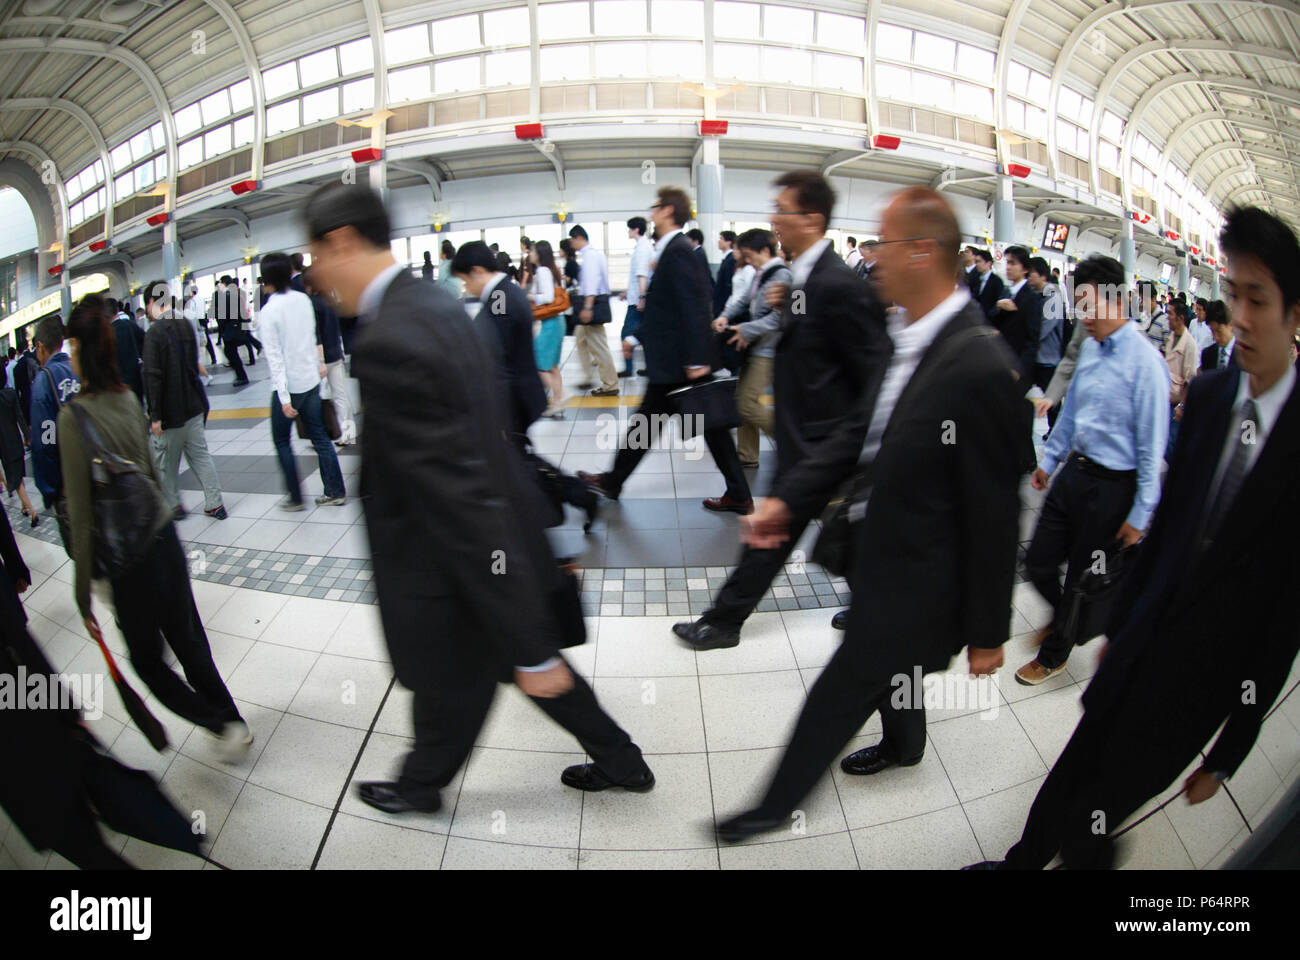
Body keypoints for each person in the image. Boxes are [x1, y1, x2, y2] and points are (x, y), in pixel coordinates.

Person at [303, 182, 655, 813]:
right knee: (464, 680)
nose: (317, 275)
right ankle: (436, 782)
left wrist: (525, 632)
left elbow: (459, 487)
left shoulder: (392, 338)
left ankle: (607, 759)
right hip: (486, 543)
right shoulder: (433, 306)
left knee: (506, 669)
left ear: (342, 241)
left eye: (317, 257)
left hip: (460, 553)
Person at [974, 207, 1300, 871]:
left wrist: (1233, 745)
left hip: (1204, 677)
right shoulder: (1211, 397)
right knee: (1072, 773)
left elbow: (1286, 612)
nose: (1237, 316)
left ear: (1296, 313)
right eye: (1232, 294)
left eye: (1257, 299)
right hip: (1139, 643)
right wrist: (1119, 627)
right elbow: (1172, 533)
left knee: (1106, 804)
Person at [715, 186, 1024, 842]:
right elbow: (858, 432)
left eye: (883, 243)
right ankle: (898, 744)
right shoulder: (909, 335)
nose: (873, 257)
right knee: (879, 674)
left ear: (922, 251)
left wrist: (988, 631)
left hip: (921, 574)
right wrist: (785, 502)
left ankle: (771, 809)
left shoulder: (980, 363)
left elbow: (995, 511)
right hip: (881, 545)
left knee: (843, 688)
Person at [673, 177, 886, 650]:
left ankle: (728, 619)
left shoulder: (839, 283)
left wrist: (842, 451)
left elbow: (873, 374)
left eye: (783, 209)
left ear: (812, 219)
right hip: (804, 440)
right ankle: (726, 620)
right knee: (776, 533)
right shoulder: (806, 278)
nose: (774, 218)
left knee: (806, 531)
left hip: (824, 446)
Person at [61, 293, 251, 761]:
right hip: (163, 537)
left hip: (128, 561)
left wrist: (83, 591)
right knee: (190, 640)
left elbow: (82, 517)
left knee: (148, 662)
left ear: (78, 350)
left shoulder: (72, 418)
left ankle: (215, 723)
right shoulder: (127, 398)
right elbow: (147, 474)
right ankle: (234, 721)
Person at [1016, 255, 1169, 685]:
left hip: (1113, 490)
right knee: (1040, 561)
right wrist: (1049, 459)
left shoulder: (1146, 364)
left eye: (1087, 304)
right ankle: (1067, 621)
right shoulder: (1091, 351)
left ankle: (1055, 652)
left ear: (1114, 299)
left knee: (1084, 576)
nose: (1081, 315)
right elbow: (1070, 414)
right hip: (1074, 475)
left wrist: (1139, 516)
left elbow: (1151, 449)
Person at [578, 186, 753, 514]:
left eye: (656, 206)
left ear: (669, 211)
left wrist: (697, 359)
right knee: (688, 426)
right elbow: (664, 309)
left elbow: (695, 306)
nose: (652, 212)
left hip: (681, 365)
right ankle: (738, 494)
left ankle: (614, 481)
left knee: (688, 426)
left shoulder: (680, 251)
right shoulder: (673, 249)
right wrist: (635, 337)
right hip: (675, 363)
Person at [258, 252, 347, 512]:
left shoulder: (269, 311)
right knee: (319, 436)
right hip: (310, 381)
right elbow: (310, 338)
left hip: (290, 386)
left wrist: (284, 398)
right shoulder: (302, 300)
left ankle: (296, 498)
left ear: (267, 280)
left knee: (282, 440)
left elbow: (275, 359)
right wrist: (317, 368)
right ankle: (335, 491)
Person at [139, 281, 228, 523]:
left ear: (150, 303)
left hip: (171, 415)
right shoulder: (185, 325)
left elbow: (152, 378)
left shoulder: (154, 334)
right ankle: (215, 504)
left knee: (166, 465)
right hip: (195, 405)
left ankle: (174, 506)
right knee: (200, 456)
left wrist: (155, 416)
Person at [452, 241, 547, 440]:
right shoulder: (506, 291)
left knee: (516, 461)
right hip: (519, 396)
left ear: (477, 271)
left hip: (513, 401)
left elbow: (498, 354)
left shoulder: (499, 297)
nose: (467, 288)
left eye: (465, 281)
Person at [724, 228, 790, 470]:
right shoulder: (762, 274)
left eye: (750, 255)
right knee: (742, 401)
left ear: (765, 250)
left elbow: (781, 318)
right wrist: (724, 316)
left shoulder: (783, 276)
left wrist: (746, 329)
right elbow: (744, 301)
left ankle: (789, 438)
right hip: (755, 346)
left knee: (746, 404)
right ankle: (747, 454)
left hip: (769, 349)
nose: (747, 261)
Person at [29, 315, 79, 512]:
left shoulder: (43, 381)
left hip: (67, 481)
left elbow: (45, 439)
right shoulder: (77, 367)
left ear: (40, 346)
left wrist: (49, 489)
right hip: (93, 469)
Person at [304, 269, 356, 447]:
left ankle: (323, 433)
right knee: (341, 395)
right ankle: (348, 433)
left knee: (320, 397)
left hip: (322, 359)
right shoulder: (331, 301)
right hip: (336, 355)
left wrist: (319, 362)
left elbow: (316, 335)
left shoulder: (312, 304)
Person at [567, 225, 618, 396]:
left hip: (592, 304)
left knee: (599, 346)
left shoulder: (589, 257)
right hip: (594, 302)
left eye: (572, 240)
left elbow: (592, 283)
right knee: (581, 339)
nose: (571, 244)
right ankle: (589, 377)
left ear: (578, 238)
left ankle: (610, 384)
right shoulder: (595, 254)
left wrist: (588, 306)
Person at [992, 244, 1041, 386]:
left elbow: (1032, 340)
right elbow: (993, 319)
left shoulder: (1032, 298)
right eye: (1007, 262)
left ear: (1025, 269)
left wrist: (1019, 369)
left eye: (1013, 263)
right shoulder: (1006, 292)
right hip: (999, 361)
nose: (1008, 267)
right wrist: (998, 307)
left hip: (1016, 369)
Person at [529, 240, 567, 418]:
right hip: (556, 321)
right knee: (552, 366)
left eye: (532, 251)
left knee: (538, 363)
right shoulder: (552, 270)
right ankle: (558, 403)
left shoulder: (542, 271)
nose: (530, 254)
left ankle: (561, 397)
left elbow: (548, 297)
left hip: (551, 323)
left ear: (539, 254)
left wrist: (530, 296)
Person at [1027, 256, 1065, 425]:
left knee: (1052, 400)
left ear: (1043, 275)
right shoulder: (1033, 295)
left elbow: (1044, 328)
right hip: (1034, 357)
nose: (1028, 276)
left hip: (1048, 359)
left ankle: (1054, 429)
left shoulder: (1053, 297)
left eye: (1032, 272)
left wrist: (1027, 339)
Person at [1164, 300, 1200, 460]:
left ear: (1180, 318)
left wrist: (1181, 406)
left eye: (1170, 314)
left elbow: (1190, 379)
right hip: (1165, 397)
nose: (1167, 318)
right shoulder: (1171, 337)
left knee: (1170, 444)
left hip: (1175, 404)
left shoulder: (1190, 344)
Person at [620, 216, 653, 379]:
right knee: (645, 334)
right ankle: (650, 367)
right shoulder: (645, 246)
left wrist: (641, 298)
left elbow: (642, 275)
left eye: (629, 228)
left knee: (627, 334)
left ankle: (628, 369)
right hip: (637, 298)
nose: (628, 231)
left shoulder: (642, 249)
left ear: (636, 230)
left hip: (637, 302)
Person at [0, 381, 36, 525]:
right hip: (16, 440)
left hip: (3, 445)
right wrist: (28, 436)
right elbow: (20, 416)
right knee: (19, 475)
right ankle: (24, 507)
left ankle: (33, 512)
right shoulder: (10, 394)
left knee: (15, 481)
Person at [212, 276, 248, 385]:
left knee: (230, 352)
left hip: (230, 329)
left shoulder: (226, 296)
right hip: (235, 326)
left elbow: (223, 315)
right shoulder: (234, 295)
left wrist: (221, 329)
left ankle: (241, 376)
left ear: (223, 283)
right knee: (231, 352)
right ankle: (241, 375)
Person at [109, 296, 145, 400]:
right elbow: (144, 343)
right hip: (137, 377)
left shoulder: (107, 335)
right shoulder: (131, 325)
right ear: (117, 310)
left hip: (121, 384)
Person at [1200, 300, 1237, 373]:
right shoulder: (1207, 354)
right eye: (1212, 331)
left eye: (1219, 331)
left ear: (1230, 324)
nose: (1216, 337)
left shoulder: (1242, 355)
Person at [971, 248, 1005, 321]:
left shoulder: (997, 281)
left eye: (979, 261)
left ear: (989, 263)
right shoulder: (975, 278)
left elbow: (998, 303)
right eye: (976, 262)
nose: (976, 264)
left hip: (989, 321)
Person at [712, 230, 738, 319]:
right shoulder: (726, 259)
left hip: (723, 305)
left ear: (729, 242)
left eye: (721, 239)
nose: (719, 241)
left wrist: (726, 305)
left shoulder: (731, 260)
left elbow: (729, 284)